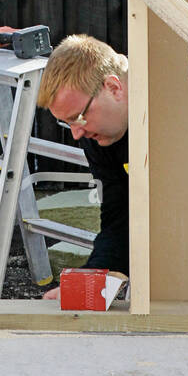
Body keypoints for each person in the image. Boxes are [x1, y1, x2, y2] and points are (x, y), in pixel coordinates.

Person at [37, 34, 129, 299]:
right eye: (68, 123)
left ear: (113, 88)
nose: (76, 135)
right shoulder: (99, 135)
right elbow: (119, 208)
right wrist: (96, 273)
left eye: (78, 117)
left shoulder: (175, 110)